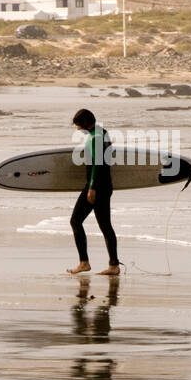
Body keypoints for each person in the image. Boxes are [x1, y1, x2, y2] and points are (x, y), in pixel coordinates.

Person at [66, 108, 120, 276]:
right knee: (105, 226)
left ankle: (84, 263)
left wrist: (92, 188)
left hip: (97, 187)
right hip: (105, 186)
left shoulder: (96, 137)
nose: (77, 128)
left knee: (75, 221)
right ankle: (113, 265)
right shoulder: (101, 133)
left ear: (85, 122)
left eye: (78, 124)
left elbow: (98, 164)